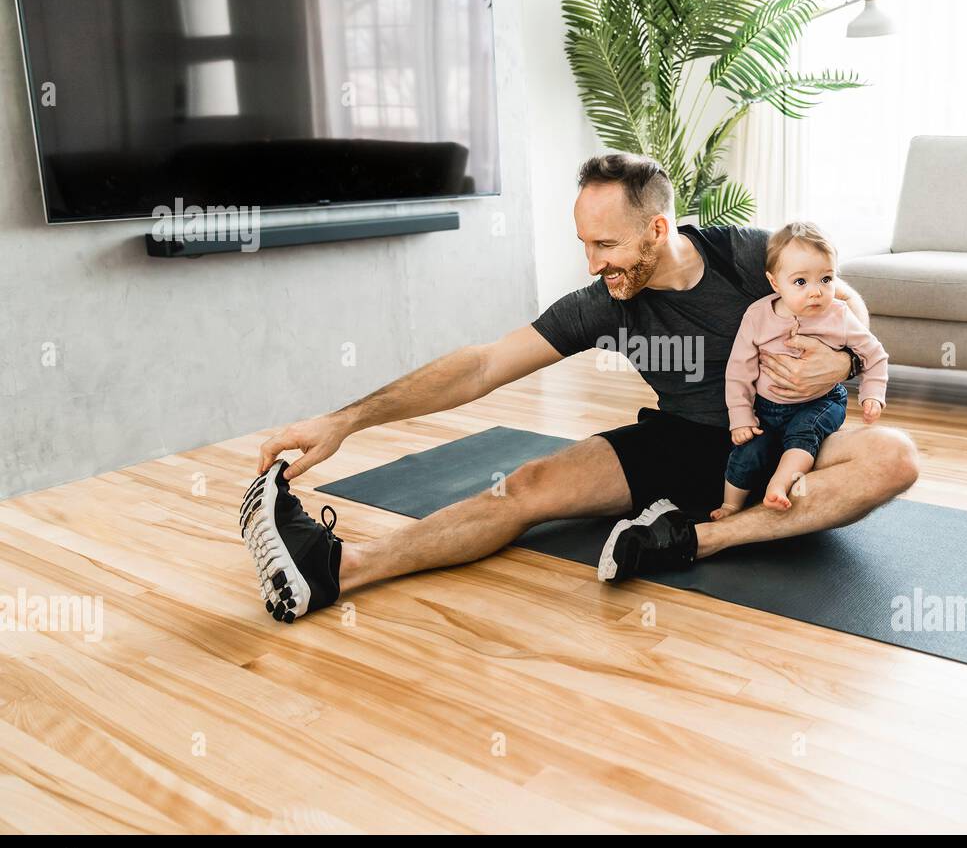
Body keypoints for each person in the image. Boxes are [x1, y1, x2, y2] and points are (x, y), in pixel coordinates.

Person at [241, 153, 920, 622]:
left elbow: (846, 298)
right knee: (526, 486)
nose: (592, 263)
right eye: (584, 244)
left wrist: (844, 364)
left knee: (894, 457)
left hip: (786, 438)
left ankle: (694, 540)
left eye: (604, 245)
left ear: (657, 228)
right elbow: (482, 366)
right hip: (681, 441)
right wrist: (345, 420)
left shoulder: (743, 254)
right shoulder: (603, 301)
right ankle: (338, 569)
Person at [713, 221, 889, 519]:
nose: (816, 292)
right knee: (748, 451)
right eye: (800, 282)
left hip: (821, 401)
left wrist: (873, 394)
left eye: (826, 279)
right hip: (767, 407)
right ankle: (730, 505)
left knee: (803, 433)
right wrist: (740, 416)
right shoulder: (758, 316)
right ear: (774, 283)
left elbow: (875, 354)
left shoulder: (839, 316)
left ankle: (779, 485)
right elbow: (739, 370)